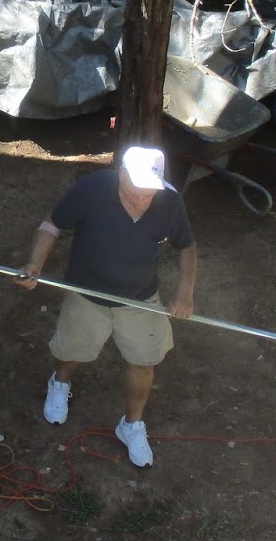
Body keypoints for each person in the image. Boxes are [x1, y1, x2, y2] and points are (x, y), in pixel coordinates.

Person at [16, 146, 197, 468]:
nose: (142, 197)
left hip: (139, 298)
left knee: (144, 361)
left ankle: (131, 425)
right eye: (135, 188)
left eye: (149, 190)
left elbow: (187, 246)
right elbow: (52, 223)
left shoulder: (169, 201)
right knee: (71, 352)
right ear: (121, 174)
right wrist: (34, 263)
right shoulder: (93, 188)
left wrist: (185, 292)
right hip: (86, 293)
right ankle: (60, 381)